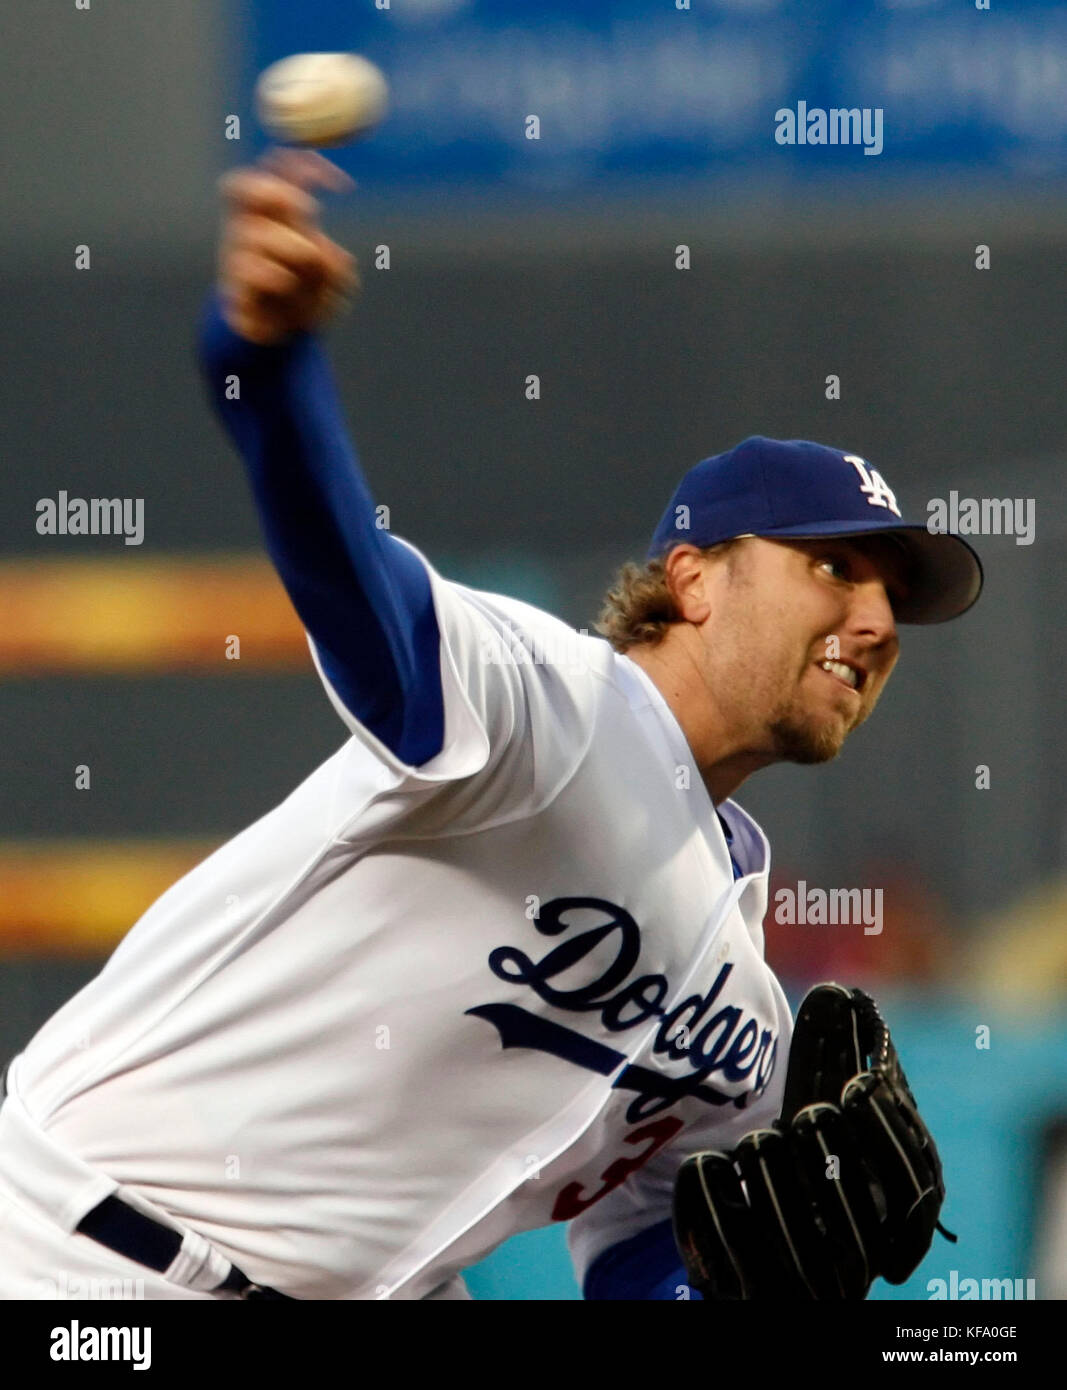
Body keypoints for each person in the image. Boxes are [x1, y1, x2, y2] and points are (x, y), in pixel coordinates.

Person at [0, 151, 982, 1301]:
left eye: (893, 601)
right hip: (89, 1252)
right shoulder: (546, 708)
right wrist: (268, 376)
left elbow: (638, 1262)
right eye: (830, 566)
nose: (871, 621)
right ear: (693, 579)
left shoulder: (744, 1008)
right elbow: (359, 600)